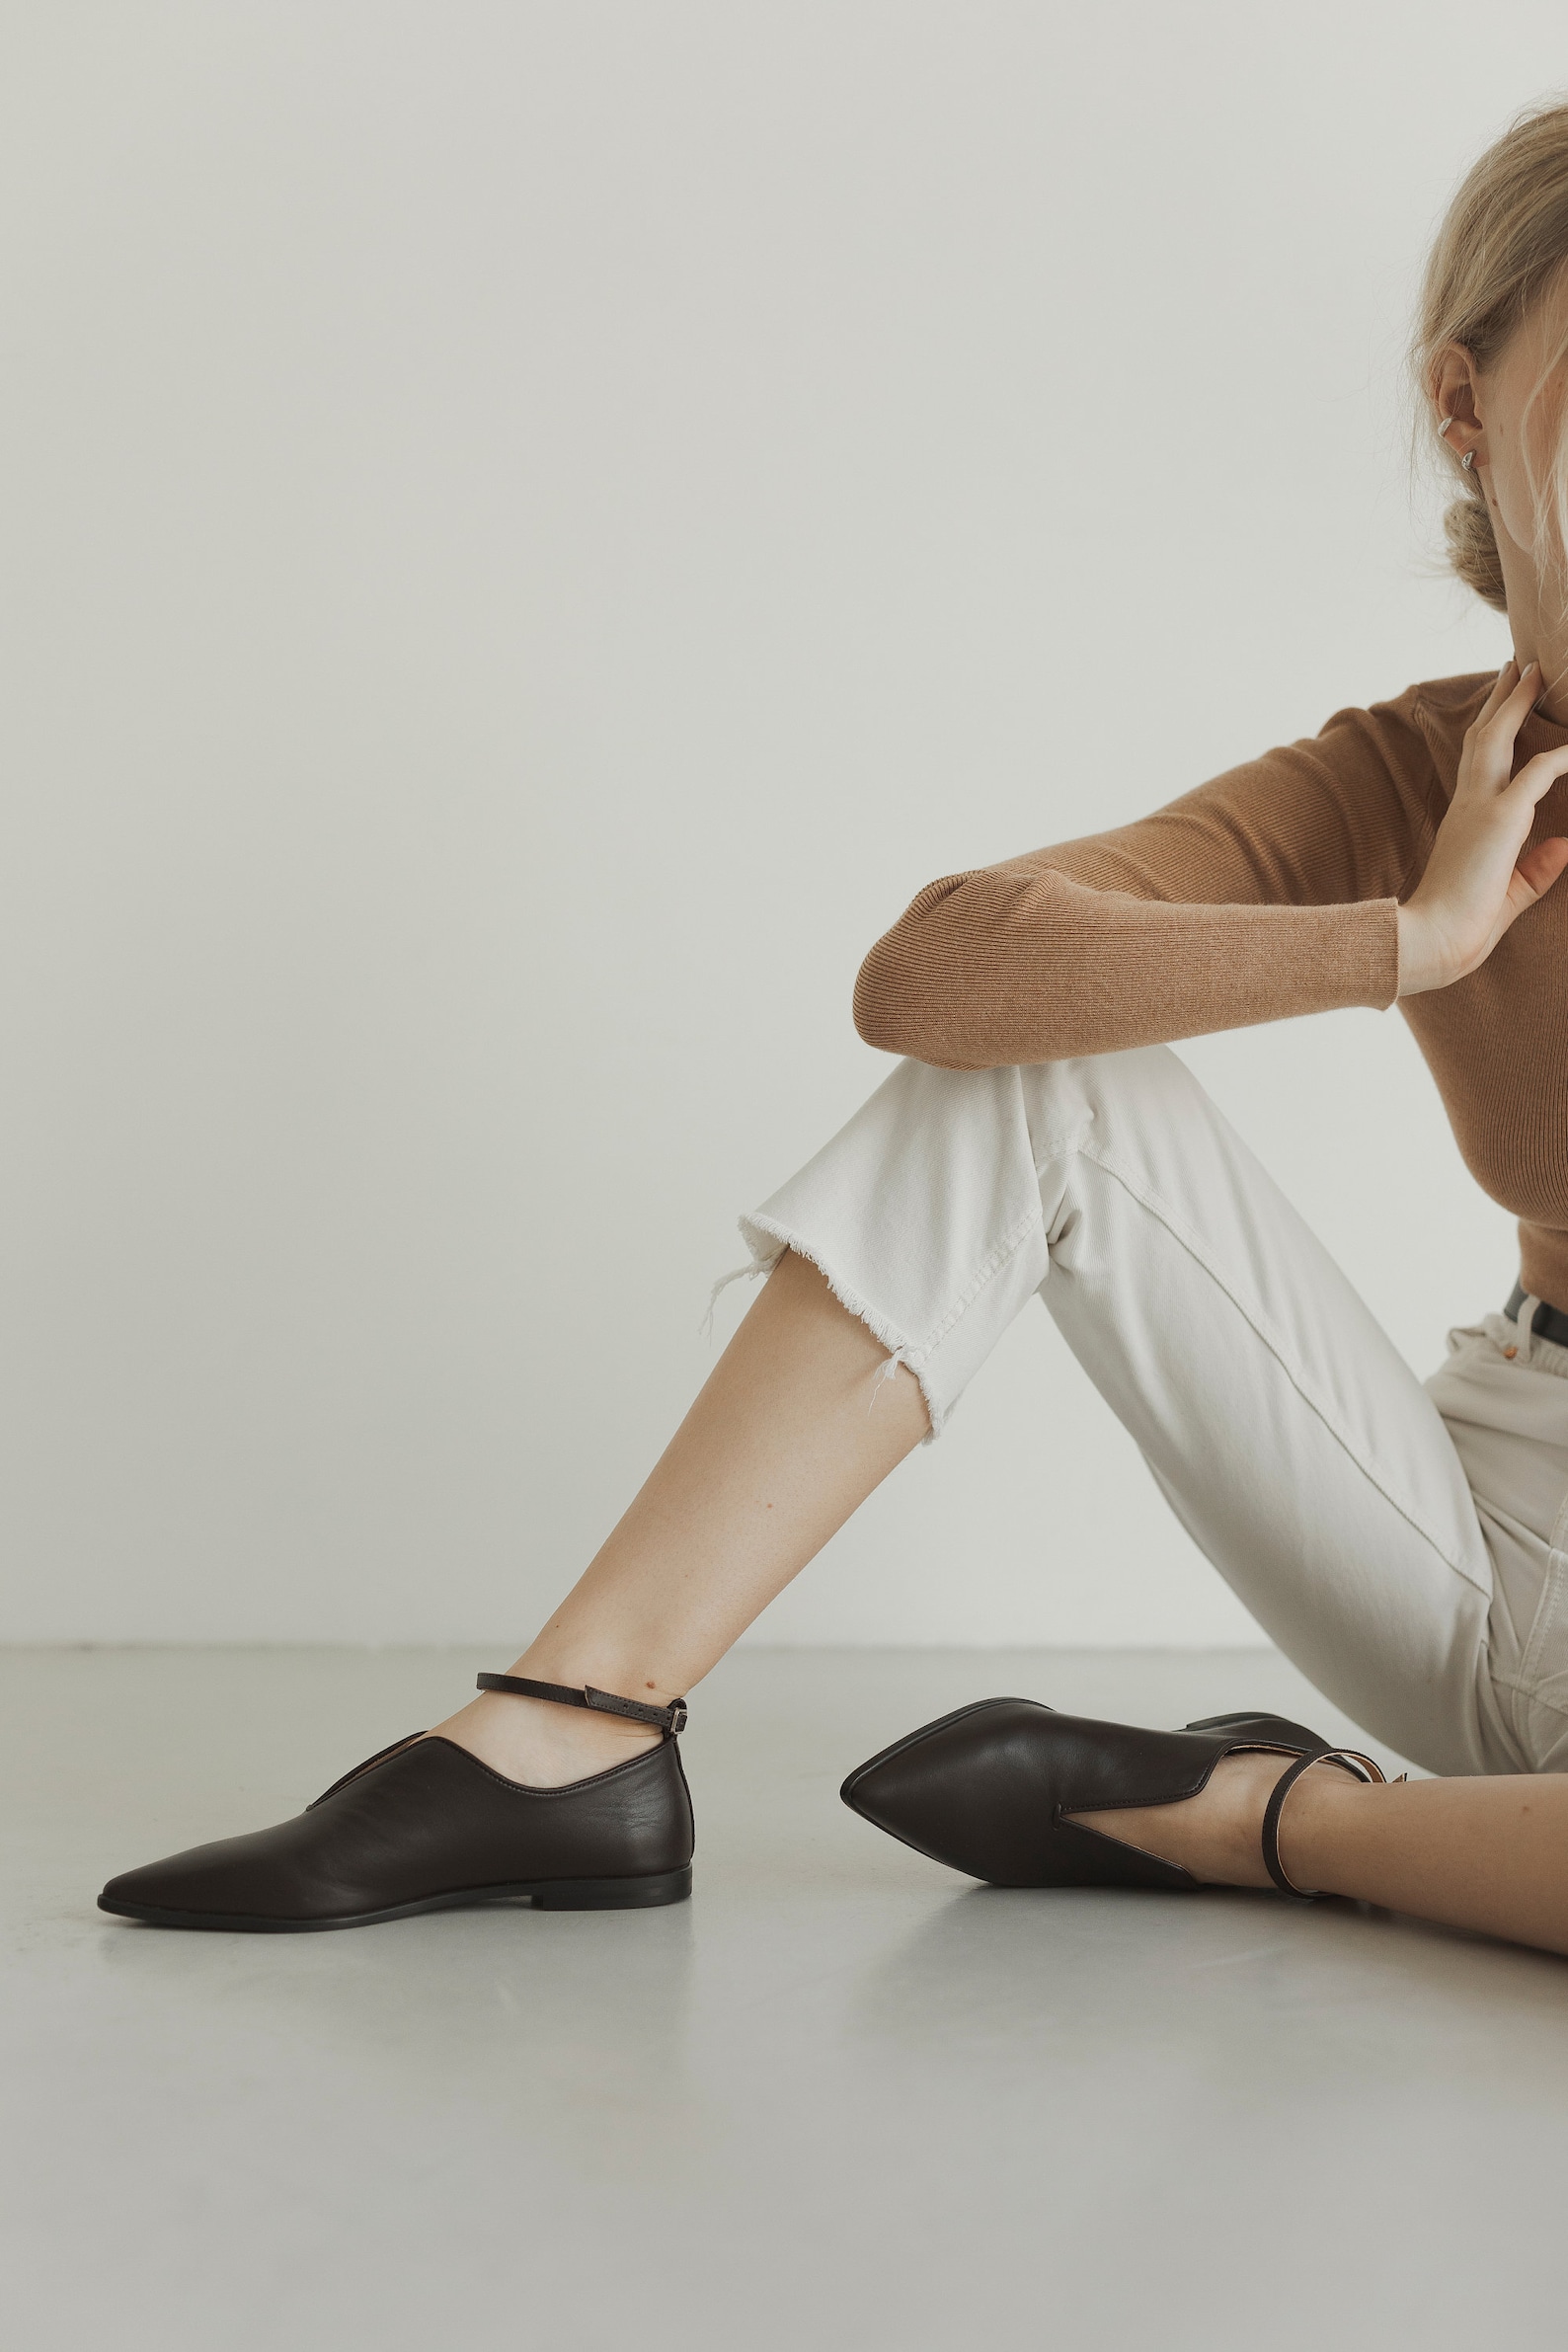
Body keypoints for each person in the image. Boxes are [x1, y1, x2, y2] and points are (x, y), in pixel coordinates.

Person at [101, 98, 1568, 1955]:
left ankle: (1260, 1816)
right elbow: (944, 972)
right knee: (1043, 1081)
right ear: (1464, 404)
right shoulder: (1424, 780)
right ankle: (572, 1728)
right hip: (1501, 1538)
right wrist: (1405, 939)